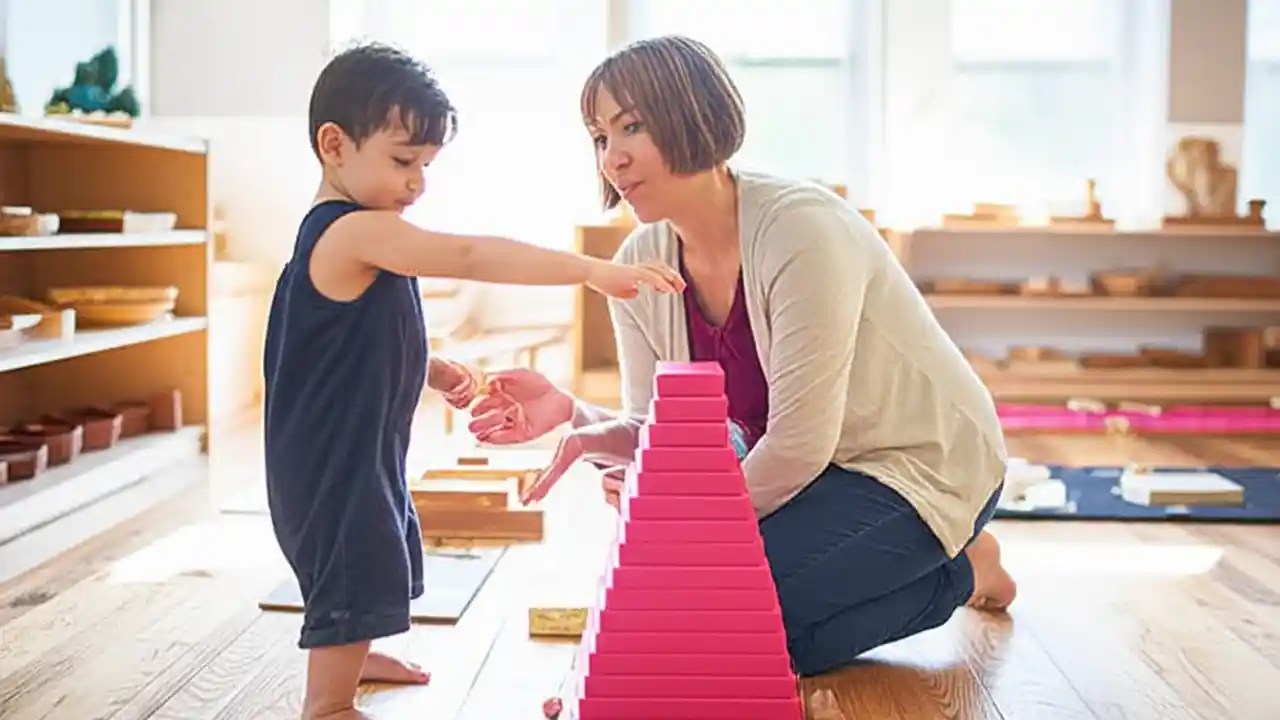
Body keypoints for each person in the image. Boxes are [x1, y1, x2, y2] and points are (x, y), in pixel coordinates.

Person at [457, 35, 1018, 678]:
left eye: (631, 126)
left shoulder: (802, 230)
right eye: (600, 137)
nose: (614, 157)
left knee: (720, 614)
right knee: (729, 636)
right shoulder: (637, 265)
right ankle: (955, 566)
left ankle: (964, 566)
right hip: (820, 477)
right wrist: (571, 414)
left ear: (695, 113)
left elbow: (801, 444)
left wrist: (679, 526)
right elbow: (665, 434)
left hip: (921, 465)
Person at [262, 42, 683, 720]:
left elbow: (334, 344)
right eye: (404, 162)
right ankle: (327, 702)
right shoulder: (347, 233)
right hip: (328, 461)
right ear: (334, 145)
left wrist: (430, 368)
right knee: (352, 555)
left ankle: (354, 654)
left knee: (378, 546)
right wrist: (589, 269)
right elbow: (466, 253)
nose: (417, 183)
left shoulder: (360, 238)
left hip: (352, 450)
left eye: (426, 165)